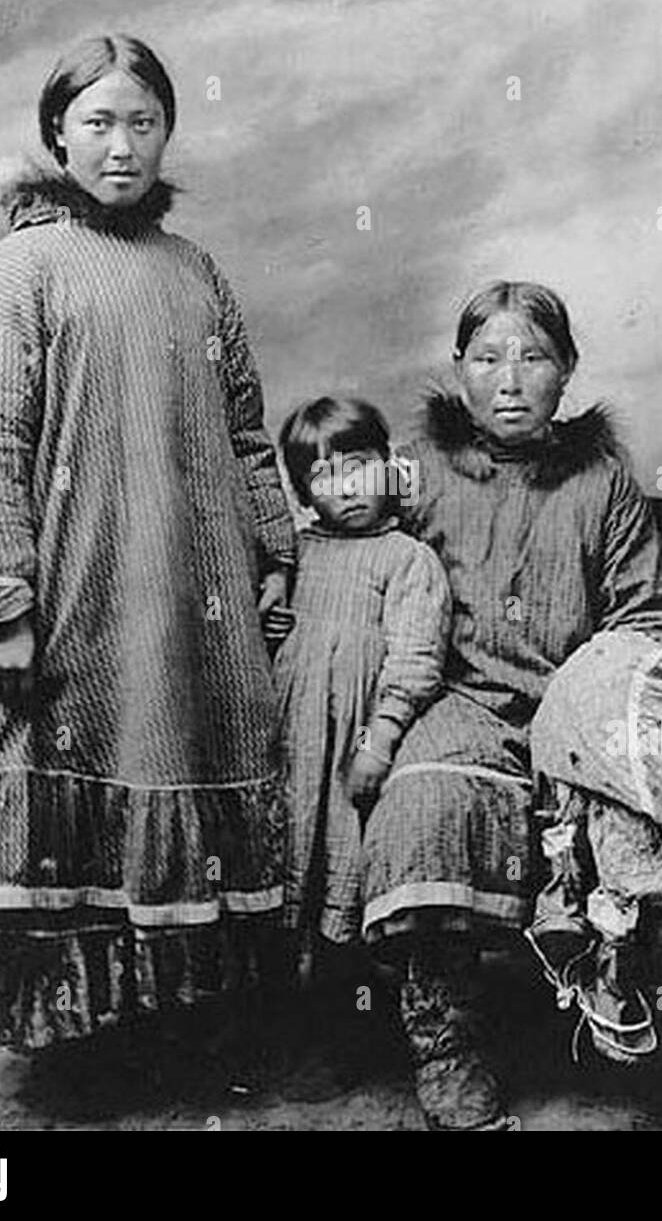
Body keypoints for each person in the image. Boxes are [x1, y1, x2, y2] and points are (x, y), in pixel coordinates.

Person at [360, 280, 662, 1131]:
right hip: (460, 700)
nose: (509, 381)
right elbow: (359, 566)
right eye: (488, 358)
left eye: (533, 358)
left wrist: (590, 700)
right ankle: (449, 1045)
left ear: (565, 372)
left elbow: (649, 615)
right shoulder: (417, 474)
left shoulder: (600, 482)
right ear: (457, 369)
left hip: (579, 709)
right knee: (426, 799)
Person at [0, 34, 296, 1052]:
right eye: (98, 122)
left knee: (188, 761)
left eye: (143, 122)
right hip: (76, 588)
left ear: (167, 130)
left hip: (195, 592)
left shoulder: (193, 271)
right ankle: (73, 1039)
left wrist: (274, 559)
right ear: (57, 133)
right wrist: (4, 602)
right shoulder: (19, 268)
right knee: (72, 770)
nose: (123, 146)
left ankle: (171, 1025)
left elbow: (243, 435)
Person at [274, 396, 451, 952]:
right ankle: (270, 990)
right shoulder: (294, 556)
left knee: (341, 851)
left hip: (352, 738)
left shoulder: (407, 558)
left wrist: (379, 740)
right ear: (302, 493)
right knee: (280, 847)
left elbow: (415, 659)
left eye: (360, 470)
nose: (347, 489)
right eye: (324, 478)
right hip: (286, 736)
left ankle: (340, 995)